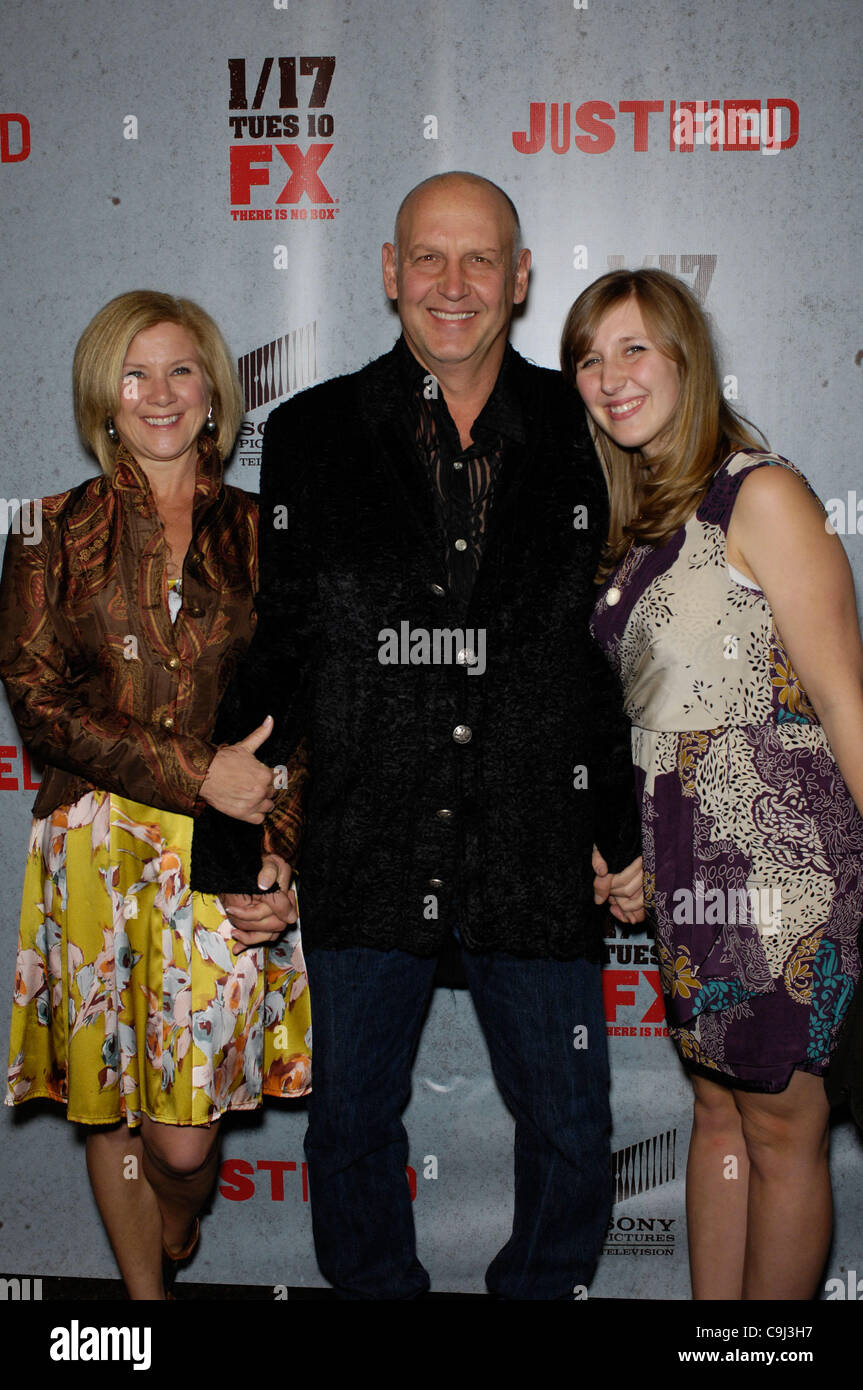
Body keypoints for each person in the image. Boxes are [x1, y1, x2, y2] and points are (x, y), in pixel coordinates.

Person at [193, 171, 643, 1300]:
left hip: (531, 841)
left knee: (574, 1137)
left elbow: (596, 652)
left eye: (480, 258)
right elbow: (285, 640)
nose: (454, 285)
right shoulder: (306, 434)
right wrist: (235, 839)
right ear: (389, 273)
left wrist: (616, 827)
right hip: (369, 834)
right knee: (348, 1131)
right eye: (427, 259)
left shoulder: (583, 432)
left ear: (520, 277)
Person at [0, 290, 311, 1300]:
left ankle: (175, 1226)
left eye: (180, 370)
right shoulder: (48, 532)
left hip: (223, 848)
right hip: (94, 850)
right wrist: (195, 770)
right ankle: (145, 1306)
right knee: (110, 1104)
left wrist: (283, 847)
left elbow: (307, 712)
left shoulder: (269, 533)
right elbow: (43, 710)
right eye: (135, 373)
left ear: (214, 392)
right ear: (104, 395)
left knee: (179, 1145)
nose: (159, 393)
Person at [562, 267, 863, 1301]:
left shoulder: (759, 494)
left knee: (781, 1121)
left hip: (782, 867)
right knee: (716, 1109)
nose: (608, 376)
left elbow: (843, 705)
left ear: (686, 357)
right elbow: (648, 717)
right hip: (688, 852)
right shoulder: (644, 520)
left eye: (632, 348)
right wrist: (640, 846)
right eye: (588, 358)